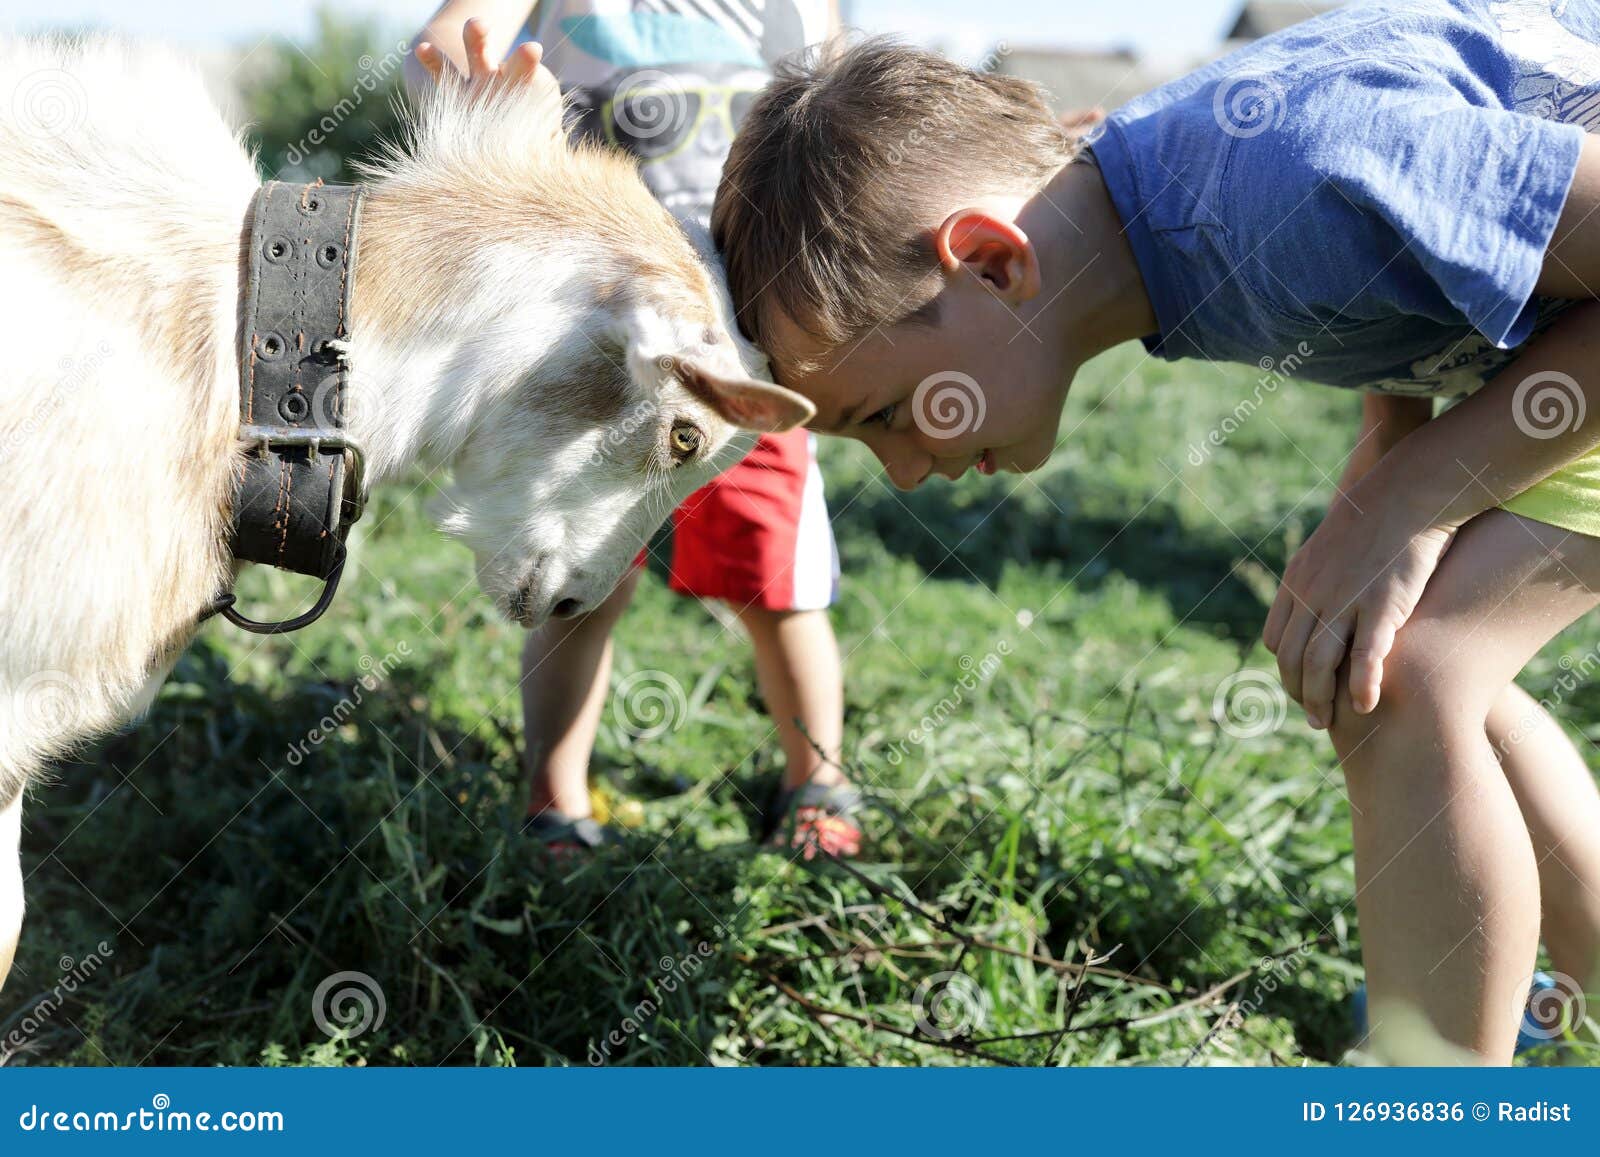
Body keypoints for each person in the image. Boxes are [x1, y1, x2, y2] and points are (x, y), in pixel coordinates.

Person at [708, 2, 1600, 1062]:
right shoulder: (1163, 201)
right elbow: (1398, 274)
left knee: (1408, 674)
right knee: (1413, 659)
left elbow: (1369, 192)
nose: (904, 471)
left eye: (890, 414)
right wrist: (1390, 449)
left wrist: (1414, 497)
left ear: (989, 262)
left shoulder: (1291, 169)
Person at [407, 1, 861, 859]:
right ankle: (556, 799)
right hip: (597, 347)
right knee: (579, 583)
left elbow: (845, 114)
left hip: (747, 351)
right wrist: (475, 94)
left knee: (777, 578)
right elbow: (443, 41)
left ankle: (817, 777)